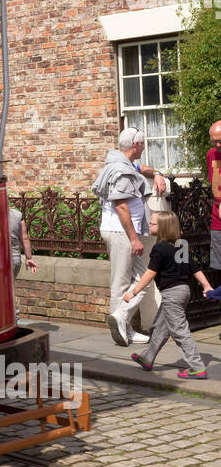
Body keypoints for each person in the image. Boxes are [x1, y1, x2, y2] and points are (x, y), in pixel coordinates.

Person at [94, 126, 167, 347]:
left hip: (123, 233)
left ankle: (124, 322)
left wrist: (157, 174)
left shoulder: (125, 164)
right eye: (143, 144)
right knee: (121, 281)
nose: (144, 147)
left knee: (143, 277)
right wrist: (134, 238)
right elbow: (121, 206)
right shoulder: (122, 170)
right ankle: (121, 324)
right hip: (122, 233)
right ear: (136, 145)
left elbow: (142, 168)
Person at [125, 212, 210, 380]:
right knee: (160, 326)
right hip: (183, 291)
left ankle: (197, 367)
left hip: (172, 294)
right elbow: (195, 269)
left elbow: (150, 273)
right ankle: (147, 358)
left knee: (179, 330)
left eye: (153, 223)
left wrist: (133, 292)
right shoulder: (180, 246)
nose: (149, 225)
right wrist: (206, 285)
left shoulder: (159, 248)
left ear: (163, 228)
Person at [207, 121, 221, 277]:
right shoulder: (211, 154)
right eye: (214, 140)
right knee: (218, 267)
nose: (217, 144)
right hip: (218, 219)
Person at [8, 205, 37, 280]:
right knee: (9, 286)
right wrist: (29, 258)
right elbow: (24, 237)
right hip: (14, 259)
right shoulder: (18, 215)